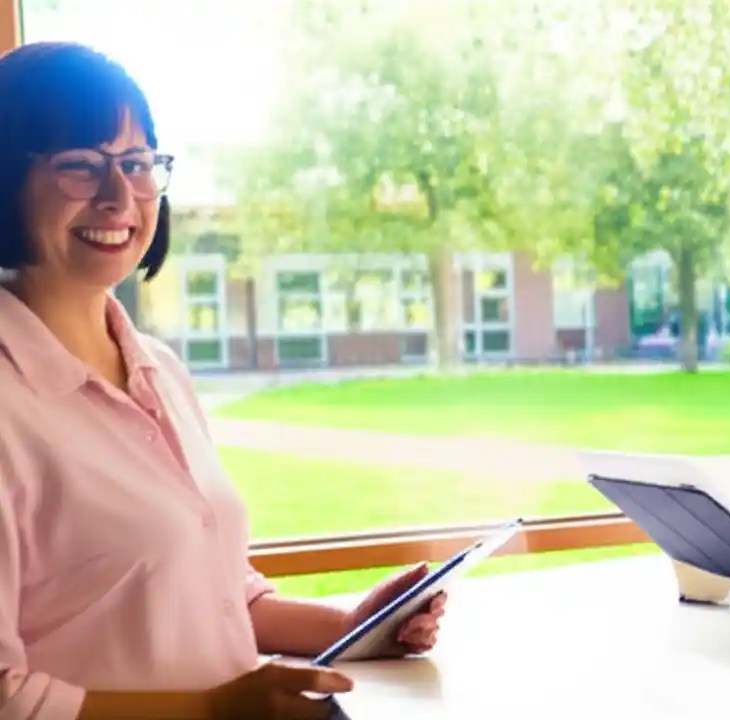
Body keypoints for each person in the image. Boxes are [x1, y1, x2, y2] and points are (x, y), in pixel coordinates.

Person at [0, 42, 445, 719]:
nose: (120, 195)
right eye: (80, 167)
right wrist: (211, 709)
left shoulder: (160, 370)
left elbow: (209, 588)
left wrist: (354, 624)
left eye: (138, 163)